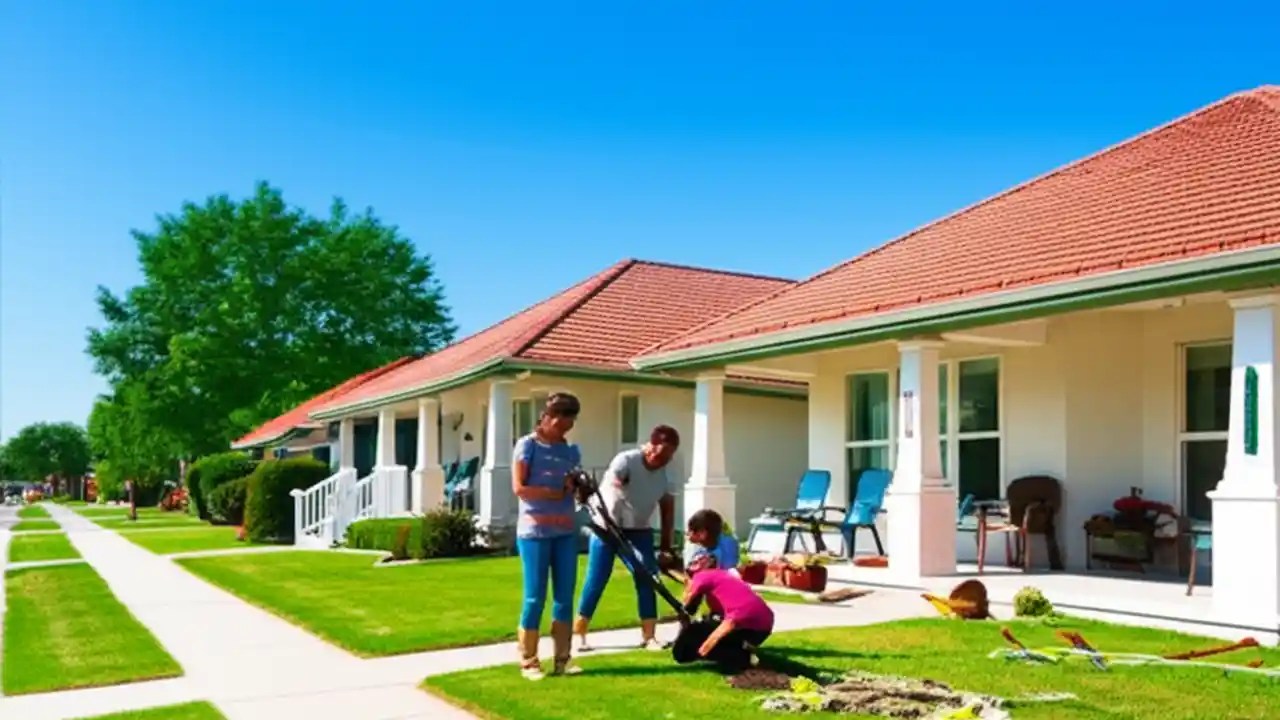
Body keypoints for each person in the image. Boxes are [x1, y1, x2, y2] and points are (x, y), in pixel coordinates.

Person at [574, 424, 681, 652]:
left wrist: (665, 547)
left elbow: (668, 511)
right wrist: (612, 528)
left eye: (669, 456)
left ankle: (649, 636)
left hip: (639, 529)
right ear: (650, 446)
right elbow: (612, 497)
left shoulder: (666, 476)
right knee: (597, 578)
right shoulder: (625, 461)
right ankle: (579, 634)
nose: (664, 460)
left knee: (648, 577)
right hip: (606, 527)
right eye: (661, 454)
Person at [513, 392, 583, 681]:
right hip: (535, 531)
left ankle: (562, 659)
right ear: (548, 416)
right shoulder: (527, 445)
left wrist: (575, 486)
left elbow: (575, 485)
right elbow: (519, 487)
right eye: (559, 421)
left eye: (568, 423)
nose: (562, 428)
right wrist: (549, 493)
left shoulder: (570, 451)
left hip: (565, 530)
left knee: (565, 597)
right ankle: (529, 660)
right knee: (534, 597)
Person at [676, 555, 775, 674]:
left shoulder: (702, 575)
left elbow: (688, 598)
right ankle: (742, 652)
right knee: (710, 623)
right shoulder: (724, 575)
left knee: (692, 637)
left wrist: (703, 649)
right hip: (764, 627)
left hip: (739, 621)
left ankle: (741, 658)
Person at [683, 508, 740, 574]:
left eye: (690, 530)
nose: (687, 534)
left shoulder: (727, 545)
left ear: (702, 533)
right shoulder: (705, 547)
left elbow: (728, 573)